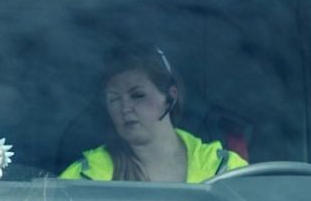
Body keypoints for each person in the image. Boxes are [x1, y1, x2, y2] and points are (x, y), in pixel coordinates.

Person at [59, 47, 248, 183]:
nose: (125, 108)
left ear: (170, 97)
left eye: (138, 95)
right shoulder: (85, 177)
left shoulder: (225, 170)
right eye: (114, 99)